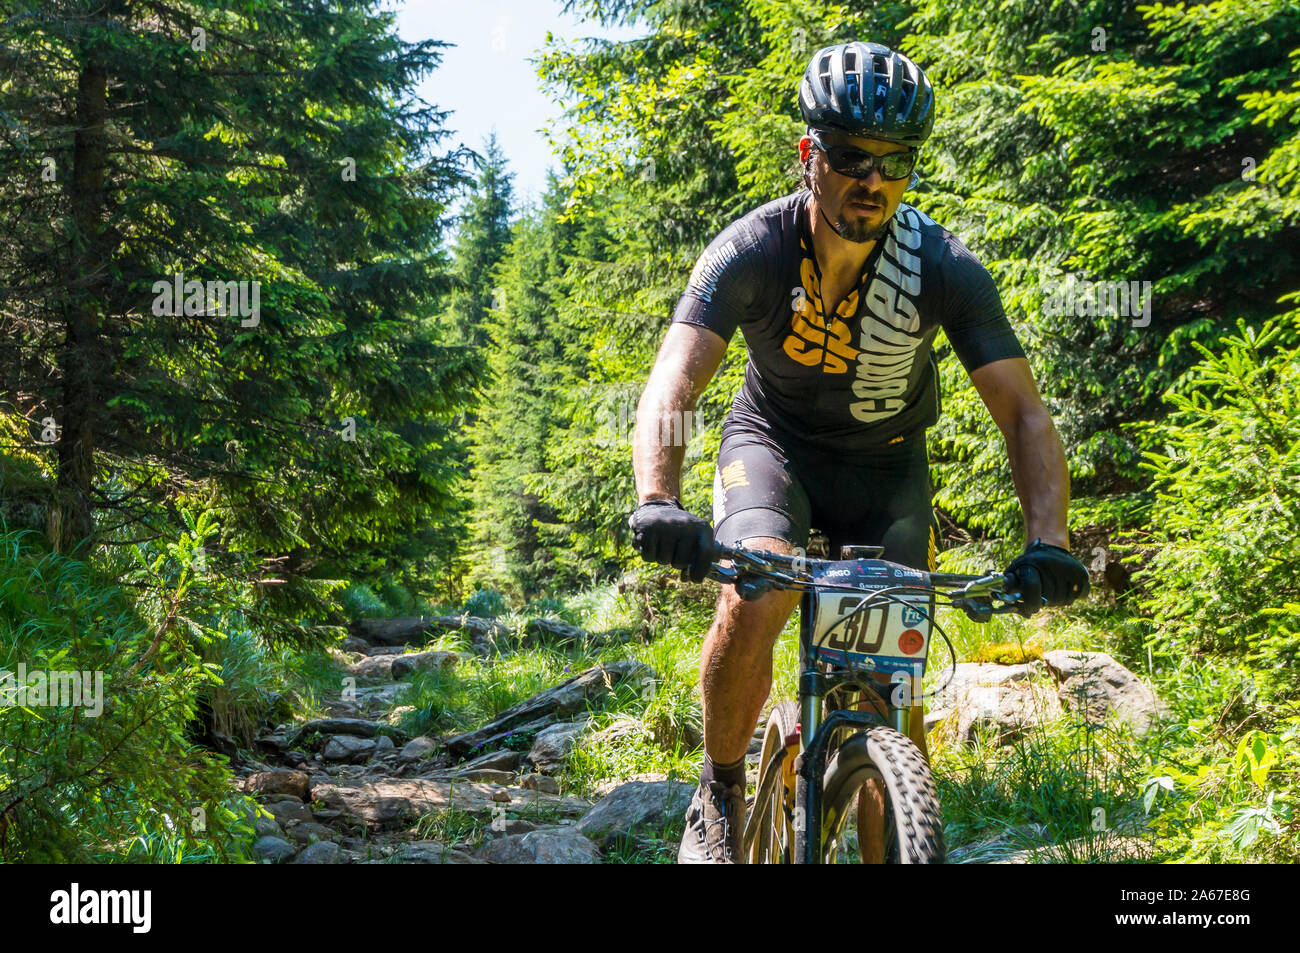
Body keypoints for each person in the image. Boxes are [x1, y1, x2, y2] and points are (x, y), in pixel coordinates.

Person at [627, 41, 1090, 864]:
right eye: (849, 157)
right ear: (811, 156)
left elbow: (1022, 412)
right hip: (772, 449)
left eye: (896, 163)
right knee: (756, 589)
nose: (871, 181)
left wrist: (1048, 540)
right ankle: (721, 788)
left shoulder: (943, 266)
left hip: (888, 474)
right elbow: (674, 383)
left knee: (887, 705)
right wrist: (660, 497)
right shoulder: (752, 249)